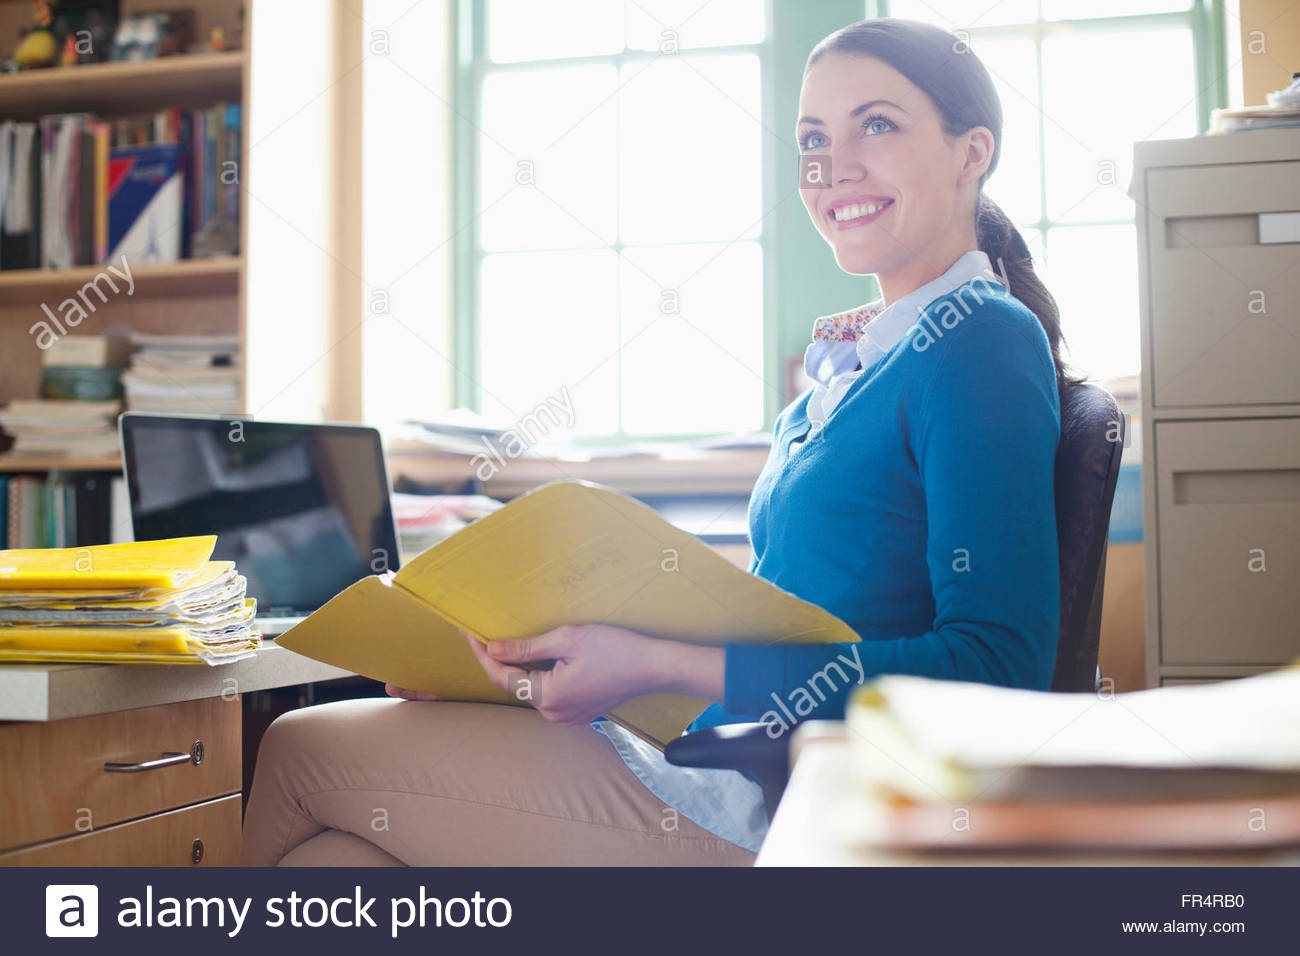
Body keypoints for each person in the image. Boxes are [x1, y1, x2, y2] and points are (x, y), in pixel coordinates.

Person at [240, 18, 1077, 867]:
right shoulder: (857, 367)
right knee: (336, 867)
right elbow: (788, 635)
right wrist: (537, 675)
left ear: (973, 152)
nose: (835, 167)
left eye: (878, 125)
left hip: (798, 812)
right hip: (719, 764)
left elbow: (995, 669)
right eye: (813, 140)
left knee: (301, 750)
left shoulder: (978, 339)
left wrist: (655, 660)